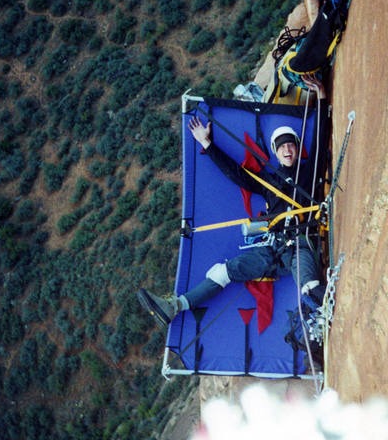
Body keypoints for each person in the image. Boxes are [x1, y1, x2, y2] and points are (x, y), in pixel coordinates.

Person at [137, 79, 328, 328]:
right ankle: (175, 306)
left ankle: (324, 315)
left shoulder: (309, 172)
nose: (288, 150)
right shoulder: (268, 181)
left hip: (303, 244)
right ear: (276, 152)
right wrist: (207, 143)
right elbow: (236, 174)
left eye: (291, 145)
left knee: (309, 286)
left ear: (297, 148)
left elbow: (322, 141)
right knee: (221, 272)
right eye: (282, 148)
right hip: (274, 250)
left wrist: (322, 98)